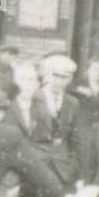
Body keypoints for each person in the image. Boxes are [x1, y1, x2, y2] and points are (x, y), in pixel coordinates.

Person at [32, 52, 84, 186]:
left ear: (70, 79)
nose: (59, 82)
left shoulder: (73, 103)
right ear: (46, 75)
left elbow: (77, 141)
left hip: (63, 171)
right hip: (34, 167)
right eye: (55, 76)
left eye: (64, 78)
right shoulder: (33, 98)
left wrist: (74, 167)